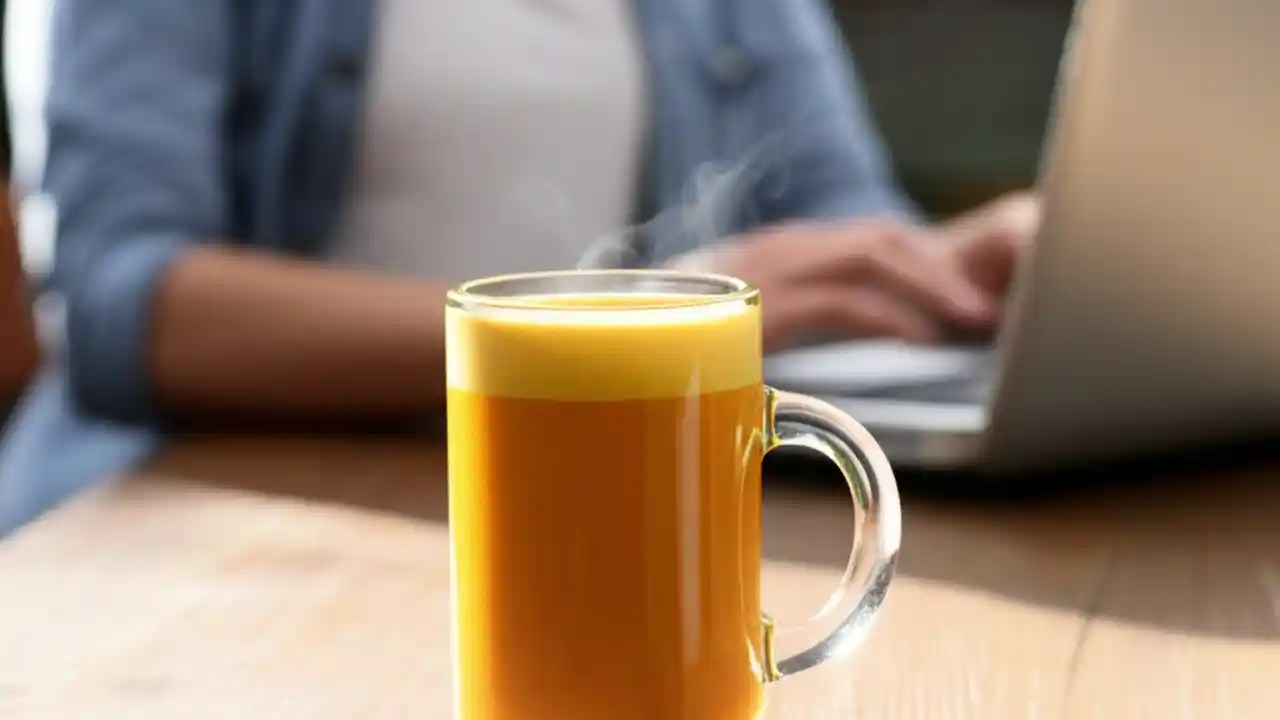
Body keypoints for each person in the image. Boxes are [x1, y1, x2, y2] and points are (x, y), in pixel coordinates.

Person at [0, 0, 1038, 535]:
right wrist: (624, 318)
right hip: (203, 531)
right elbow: (116, 306)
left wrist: (947, 267)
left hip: (594, 512)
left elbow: (835, 214)